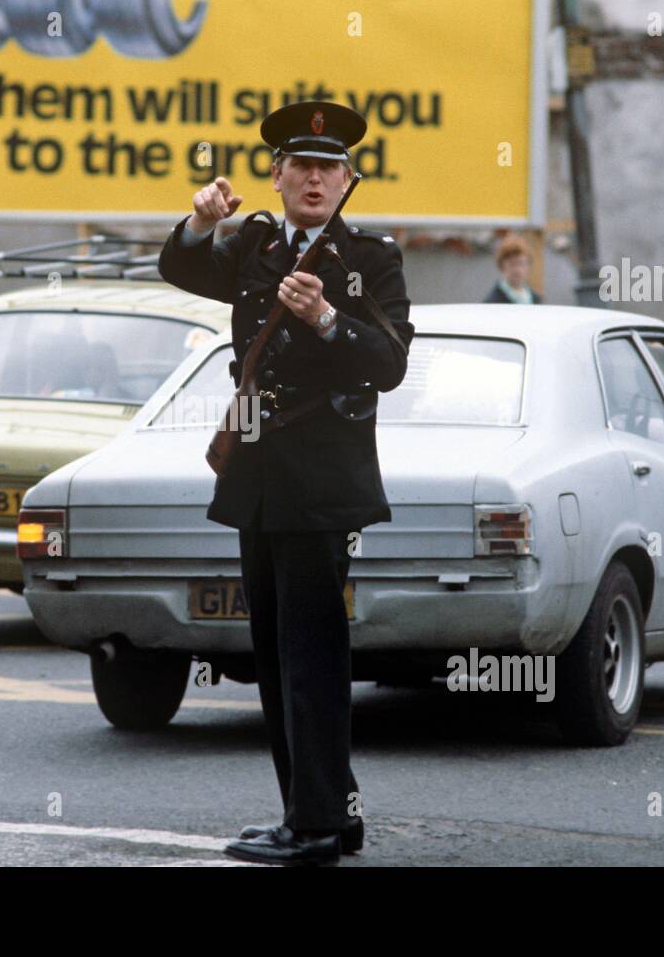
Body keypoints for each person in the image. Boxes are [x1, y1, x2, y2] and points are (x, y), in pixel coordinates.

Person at [157, 100, 414, 865]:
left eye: (327, 168)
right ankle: (318, 810)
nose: (313, 178)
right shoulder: (258, 247)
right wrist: (202, 221)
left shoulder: (369, 259)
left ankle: (317, 828)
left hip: (322, 479)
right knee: (274, 656)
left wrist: (332, 320)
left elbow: (392, 364)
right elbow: (178, 266)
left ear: (349, 181)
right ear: (274, 178)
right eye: (299, 166)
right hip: (259, 475)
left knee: (314, 657)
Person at [483, 234, 543, 304]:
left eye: (521, 263)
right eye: (512, 264)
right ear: (502, 266)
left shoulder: (535, 298)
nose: (517, 270)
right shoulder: (492, 301)